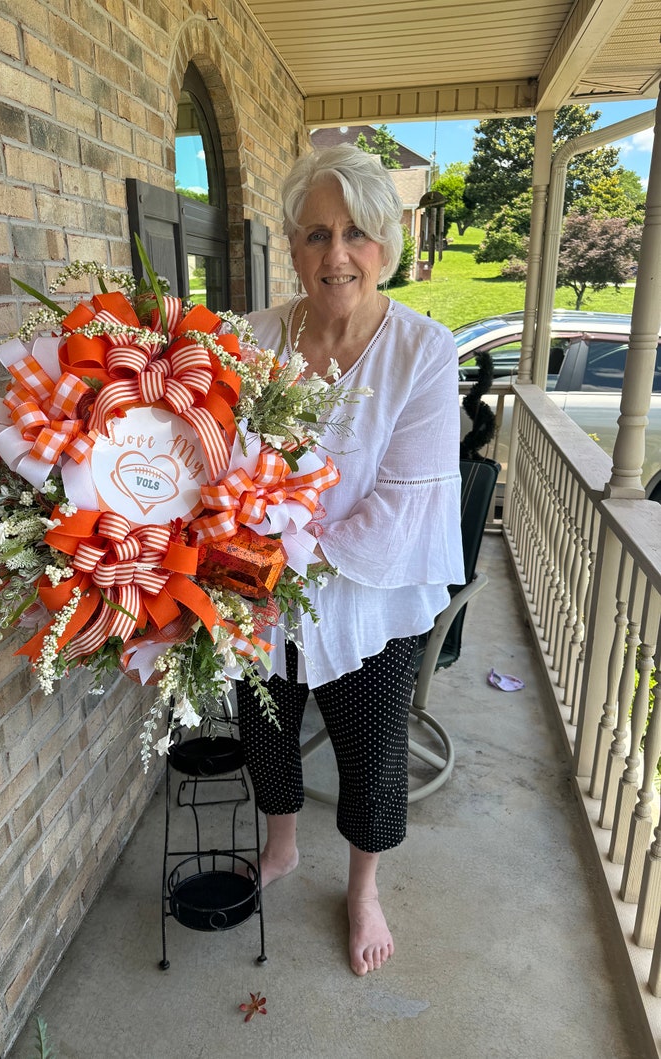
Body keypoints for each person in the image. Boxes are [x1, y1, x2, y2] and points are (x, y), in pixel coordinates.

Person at [236, 144, 465, 976]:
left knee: (371, 749)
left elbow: (404, 499)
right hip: (255, 585)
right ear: (291, 247)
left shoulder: (423, 352)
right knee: (265, 724)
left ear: (388, 244)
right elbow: (214, 456)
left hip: (369, 592)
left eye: (358, 234)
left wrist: (284, 554)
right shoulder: (252, 339)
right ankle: (283, 843)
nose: (337, 255)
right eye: (316, 234)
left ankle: (364, 886)